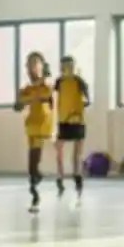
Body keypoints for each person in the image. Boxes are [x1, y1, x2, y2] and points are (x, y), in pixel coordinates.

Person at [15, 52, 53, 213]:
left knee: (33, 162)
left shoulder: (47, 86)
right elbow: (17, 106)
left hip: (42, 126)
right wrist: (21, 100)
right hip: (31, 126)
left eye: (34, 64)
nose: (31, 68)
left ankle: (35, 194)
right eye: (28, 65)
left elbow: (50, 99)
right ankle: (35, 187)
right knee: (33, 165)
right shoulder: (27, 89)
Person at [53, 56, 90, 202]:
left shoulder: (80, 81)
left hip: (77, 121)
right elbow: (54, 100)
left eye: (70, 65)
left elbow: (87, 99)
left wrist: (81, 104)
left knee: (77, 153)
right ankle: (60, 177)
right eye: (64, 66)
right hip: (62, 121)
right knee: (59, 150)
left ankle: (77, 177)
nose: (67, 68)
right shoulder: (58, 82)